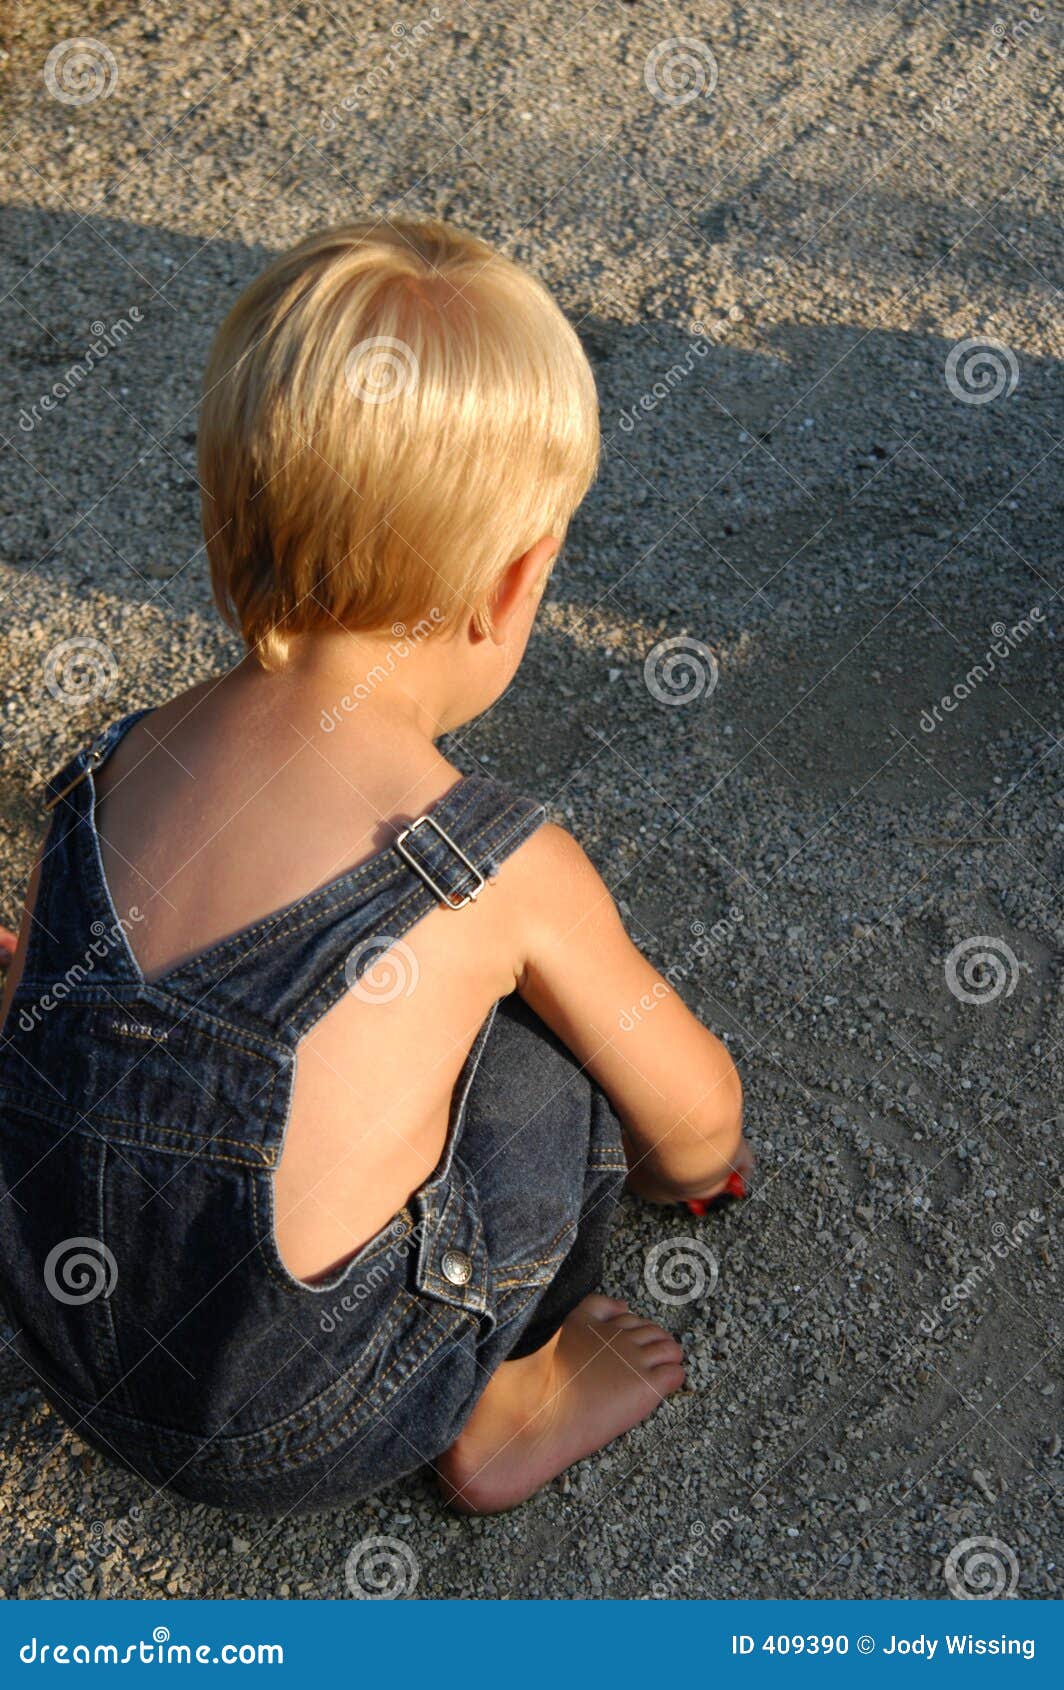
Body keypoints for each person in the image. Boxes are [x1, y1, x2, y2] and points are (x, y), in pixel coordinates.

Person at [0, 220, 748, 1517]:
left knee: (65, 992)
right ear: (514, 586)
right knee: (541, 1057)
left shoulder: (119, 760)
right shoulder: (487, 860)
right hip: (293, 1422)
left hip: (63, 1346)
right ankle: (504, 1407)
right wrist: (691, 1171)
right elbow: (697, 1127)